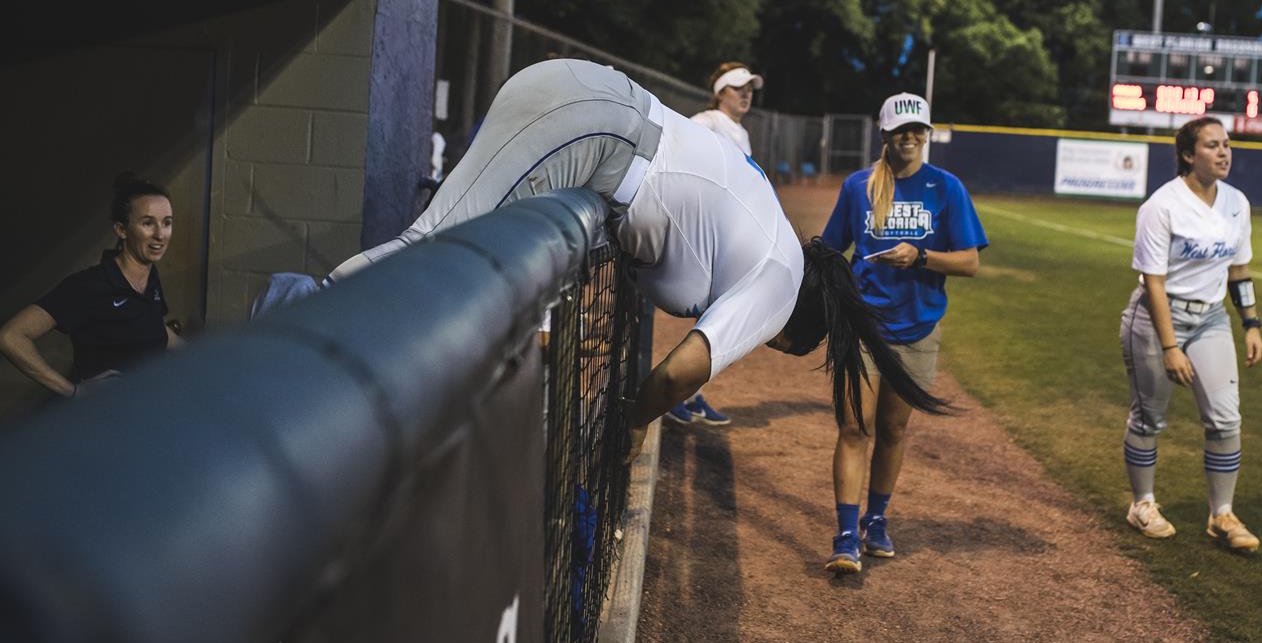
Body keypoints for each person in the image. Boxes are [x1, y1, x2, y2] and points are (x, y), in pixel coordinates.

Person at [329, 59, 946, 455]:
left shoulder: (771, 236)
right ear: (793, 330)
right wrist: (632, 423)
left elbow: (663, 227)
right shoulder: (781, 281)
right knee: (434, 252)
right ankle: (301, 317)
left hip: (597, 124)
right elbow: (681, 372)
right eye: (782, 346)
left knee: (476, 279)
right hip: (597, 127)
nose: (765, 346)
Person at [818, 92, 986, 574]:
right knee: (854, 427)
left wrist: (921, 256)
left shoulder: (946, 187)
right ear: (885, 134)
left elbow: (970, 262)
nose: (910, 137)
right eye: (901, 129)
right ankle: (846, 536)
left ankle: (876, 521)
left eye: (918, 129)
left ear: (926, 134)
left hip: (917, 329)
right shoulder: (858, 187)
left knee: (893, 428)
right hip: (863, 327)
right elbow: (830, 250)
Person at [1120, 116, 1262, 553]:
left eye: (1226, 144)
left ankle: (1222, 514)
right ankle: (1142, 504)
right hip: (1154, 319)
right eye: (1211, 145)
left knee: (1225, 418)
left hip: (1211, 319)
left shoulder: (1237, 202)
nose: (1224, 152)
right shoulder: (1161, 205)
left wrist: (1251, 323)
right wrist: (1170, 347)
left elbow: (1239, 270)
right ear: (1188, 155)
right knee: (1149, 418)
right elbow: (1155, 282)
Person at [0, 173, 183, 397]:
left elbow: (153, 328)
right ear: (121, 230)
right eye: (147, 223)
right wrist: (73, 392)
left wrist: (205, 356)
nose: (160, 235)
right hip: (105, 421)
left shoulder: (151, 276)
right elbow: (11, 336)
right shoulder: (89, 285)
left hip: (147, 409)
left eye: (167, 223)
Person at [668, 61, 765, 426]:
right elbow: (678, 153)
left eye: (750, 88)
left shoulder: (739, 132)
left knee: (712, 316)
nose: (746, 93)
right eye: (738, 86)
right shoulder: (707, 121)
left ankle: (689, 393)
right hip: (704, 233)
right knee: (708, 315)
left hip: (726, 234)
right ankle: (677, 392)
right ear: (720, 91)